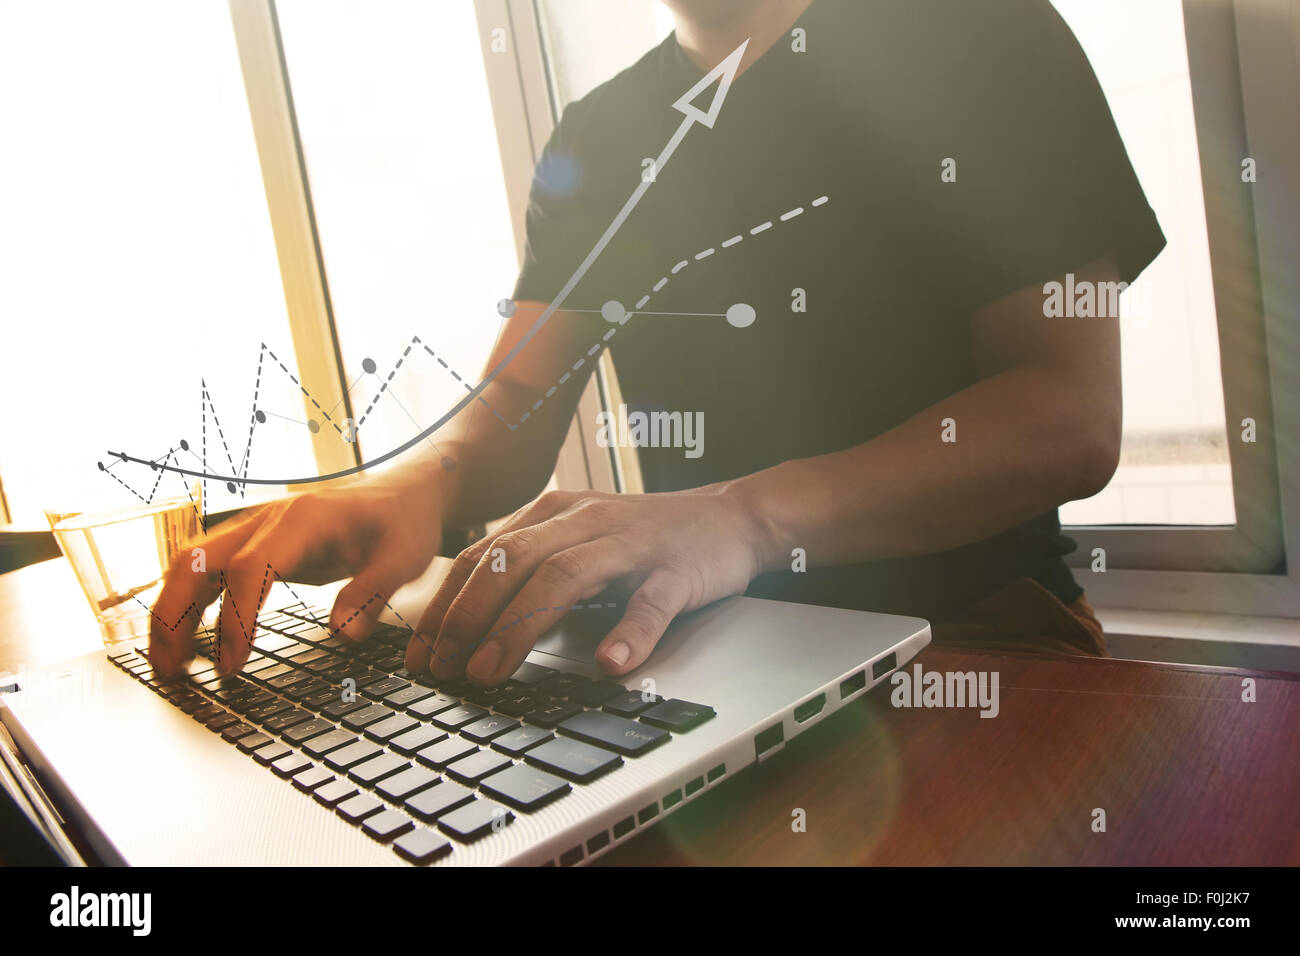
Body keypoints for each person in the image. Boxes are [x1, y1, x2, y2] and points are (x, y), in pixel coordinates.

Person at [149, 0, 1165, 686]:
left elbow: (1065, 414)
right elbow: (508, 421)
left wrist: (748, 519)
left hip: (973, 646)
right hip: (685, 659)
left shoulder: (976, 29)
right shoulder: (598, 138)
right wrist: (408, 486)